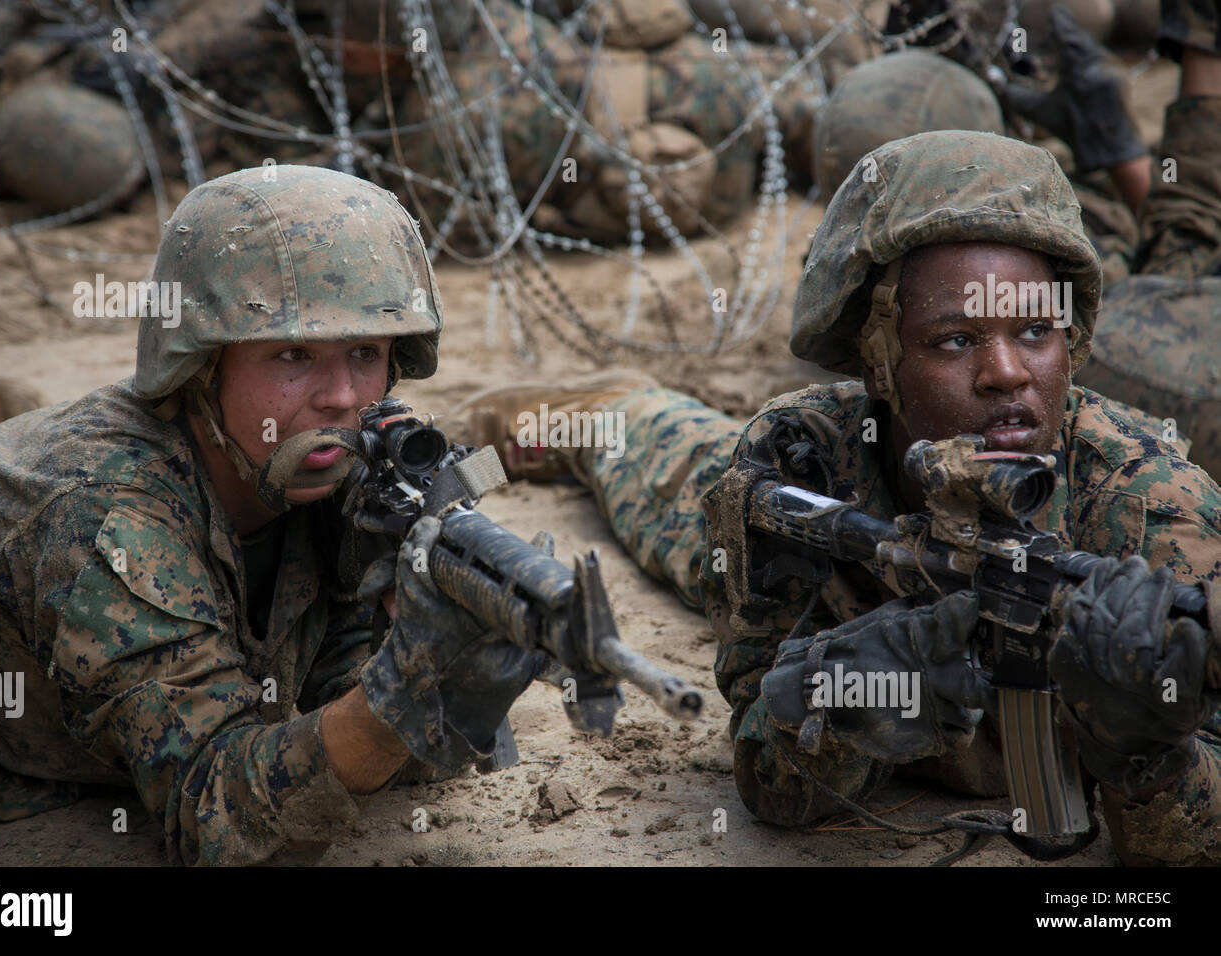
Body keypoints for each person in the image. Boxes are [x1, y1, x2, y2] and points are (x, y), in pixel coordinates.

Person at [449, 42, 1221, 861]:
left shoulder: (1154, 501)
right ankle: (616, 407)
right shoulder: (802, 464)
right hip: (845, 494)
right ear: (881, 363)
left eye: (1035, 331)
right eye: (955, 339)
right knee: (675, 481)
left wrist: (1146, 753)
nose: (1005, 374)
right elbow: (770, 782)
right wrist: (856, 689)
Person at [0, 165, 542, 865]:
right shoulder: (103, 515)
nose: (341, 396)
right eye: (294, 354)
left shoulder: (331, 470)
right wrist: (398, 693)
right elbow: (221, 819)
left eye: (365, 353)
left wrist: (446, 667)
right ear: (201, 366)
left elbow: (330, 708)